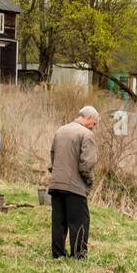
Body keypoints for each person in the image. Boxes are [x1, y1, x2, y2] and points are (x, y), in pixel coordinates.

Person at [46, 106, 99, 259]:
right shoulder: (86, 135)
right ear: (88, 118)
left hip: (56, 184)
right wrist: (89, 182)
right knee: (80, 222)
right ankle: (79, 255)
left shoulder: (60, 130)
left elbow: (52, 158)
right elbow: (86, 164)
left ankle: (58, 255)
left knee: (59, 221)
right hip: (75, 187)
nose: (93, 127)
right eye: (94, 124)